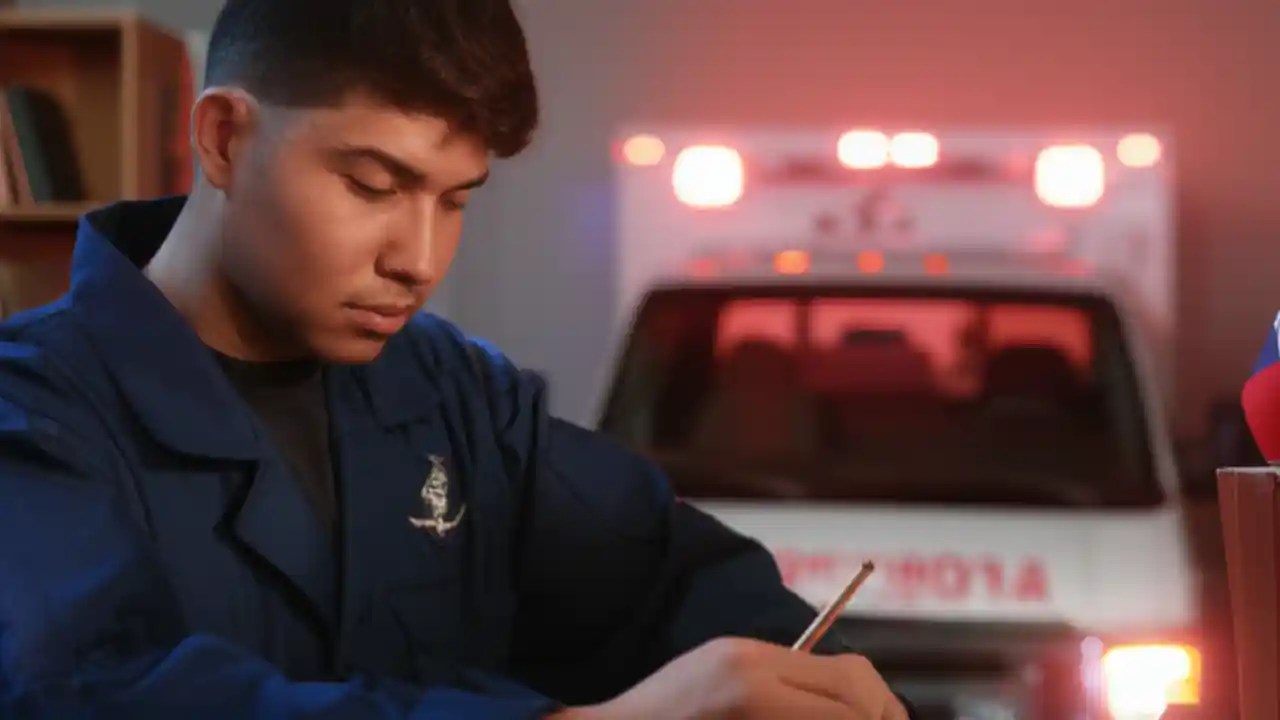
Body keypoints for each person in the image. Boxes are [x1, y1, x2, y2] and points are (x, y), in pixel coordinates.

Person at [0, 1, 913, 718]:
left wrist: (806, 675)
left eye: (458, 200)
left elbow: (664, 569)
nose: (420, 259)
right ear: (225, 139)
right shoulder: (34, 413)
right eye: (373, 185)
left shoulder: (455, 392)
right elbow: (101, 691)